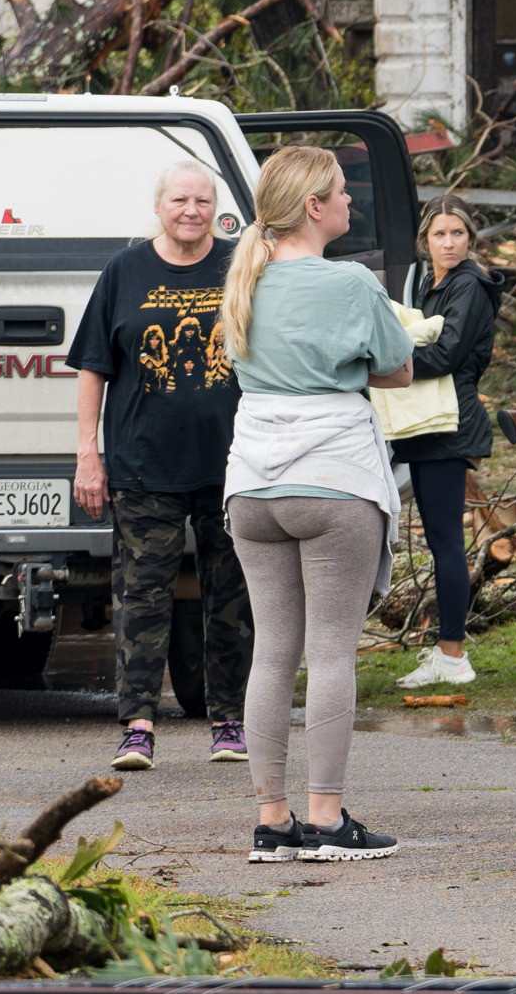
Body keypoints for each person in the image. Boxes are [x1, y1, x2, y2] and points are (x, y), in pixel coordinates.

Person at [220, 145, 418, 863]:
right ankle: (328, 817)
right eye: (340, 192)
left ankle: (272, 821)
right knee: (332, 652)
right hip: (332, 475)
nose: (349, 203)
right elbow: (400, 366)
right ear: (313, 206)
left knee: (271, 653)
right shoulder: (352, 282)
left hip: (252, 483)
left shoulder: (246, 276)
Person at [70, 160, 252, 773]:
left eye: (202, 201)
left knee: (233, 596)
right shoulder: (124, 271)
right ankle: (138, 725)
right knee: (142, 596)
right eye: (180, 200)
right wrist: (87, 456)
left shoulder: (239, 263)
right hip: (142, 466)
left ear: (215, 208)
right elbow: (94, 366)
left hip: (233, 463)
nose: (191, 211)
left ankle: (228, 720)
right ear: (159, 206)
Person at [390, 194, 505, 690]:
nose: (449, 242)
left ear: (470, 238)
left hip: (449, 423)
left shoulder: (469, 285)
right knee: (440, 541)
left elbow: (447, 354)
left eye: (457, 233)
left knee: (446, 545)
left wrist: (387, 365)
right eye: (440, 234)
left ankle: (453, 654)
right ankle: (445, 648)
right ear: (425, 240)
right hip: (427, 422)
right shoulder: (429, 283)